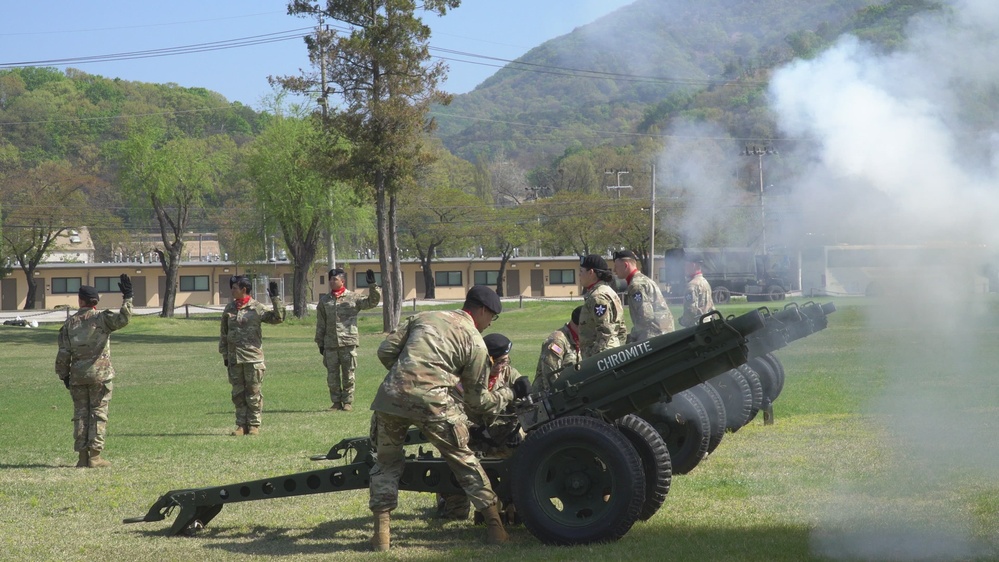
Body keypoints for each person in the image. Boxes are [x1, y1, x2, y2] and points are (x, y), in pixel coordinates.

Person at [367, 285, 522, 551]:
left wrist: (407, 375)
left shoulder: (425, 316)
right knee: (463, 459)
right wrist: (508, 393)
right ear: (483, 311)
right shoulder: (475, 342)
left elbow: (385, 351)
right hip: (434, 402)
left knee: (386, 463)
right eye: (491, 318)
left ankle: (382, 534)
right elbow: (477, 401)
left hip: (391, 397)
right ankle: (496, 528)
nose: (489, 325)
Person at [437, 332, 529, 521]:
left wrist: (518, 431)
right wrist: (474, 430)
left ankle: (509, 502)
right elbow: (450, 411)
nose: (503, 366)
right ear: (488, 359)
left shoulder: (510, 374)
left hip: (500, 438)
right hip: (470, 439)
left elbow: (526, 409)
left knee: (519, 458)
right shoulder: (463, 378)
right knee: (456, 514)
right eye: (500, 361)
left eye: (506, 360)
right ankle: (448, 500)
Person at [55, 275, 132, 468]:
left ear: (80, 300)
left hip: (77, 376)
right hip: (101, 375)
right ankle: (95, 457)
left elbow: (63, 353)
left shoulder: (69, 323)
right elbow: (123, 319)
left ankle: (82, 457)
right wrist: (128, 297)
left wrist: (64, 375)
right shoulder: (101, 318)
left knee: (80, 415)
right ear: (95, 301)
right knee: (98, 413)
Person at [219, 276, 285, 436]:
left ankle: (254, 424)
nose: (232, 290)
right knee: (238, 394)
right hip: (235, 358)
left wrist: (275, 299)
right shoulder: (229, 308)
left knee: (253, 392)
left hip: (253, 358)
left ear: (244, 289)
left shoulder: (256, 308)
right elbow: (224, 333)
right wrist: (225, 355)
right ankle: (241, 425)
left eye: (235, 288)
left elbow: (278, 318)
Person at [315, 267, 381, 411]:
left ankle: (347, 402)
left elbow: (371, 302)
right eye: (330, 279)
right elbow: (321, 323)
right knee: (332, 376)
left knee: (348, 374)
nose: (332, 282)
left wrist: (373, 286)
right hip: (330, 344)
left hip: (347, 342)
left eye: (335, 279)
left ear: (342, 281)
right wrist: (320, 343)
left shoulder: (353, 297)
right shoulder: (325, 301)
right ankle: (336, 402)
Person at [612, 249, 675, 342]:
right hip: (663, 333)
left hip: (654, 337)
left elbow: (645, 317)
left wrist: (631, 337)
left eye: (616, 267)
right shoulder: (643, 280)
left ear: (625, 265)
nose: (614, 270)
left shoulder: (636, 285)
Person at [577, 254, 627, 358]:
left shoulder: (598, 297)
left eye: (581, 271)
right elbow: (622, 330)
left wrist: (593, 358)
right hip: (611, 354)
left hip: (602, 357)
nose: (579, 275)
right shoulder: (609, 292)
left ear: (591, 273)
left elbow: (605, 332)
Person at [532, 305, 582, 393]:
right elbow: (551, 377)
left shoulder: (579, 339)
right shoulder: (557, 342)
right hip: (547, 399)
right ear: (580, 325)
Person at [679, 257, 716, 327]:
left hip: (696, 326)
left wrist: (683, 321)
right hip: (707, 323)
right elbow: (712, 306)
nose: (684, 268)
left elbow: (691, 310)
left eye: (686, 265)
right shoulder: (705, 282)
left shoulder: (692, 285)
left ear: (693, 265)